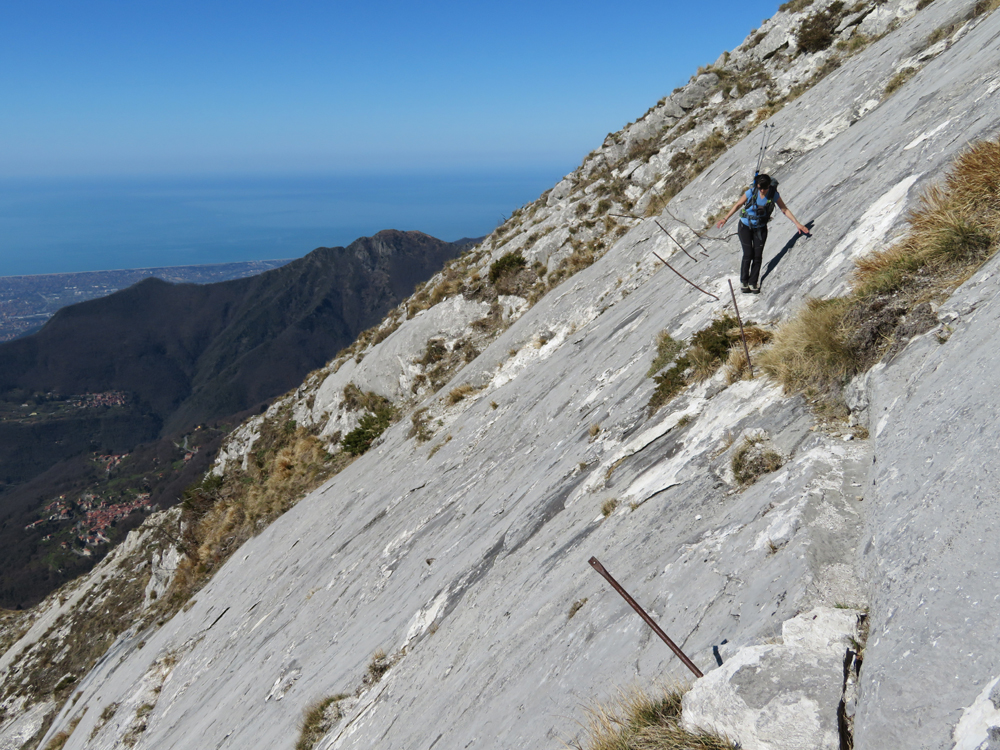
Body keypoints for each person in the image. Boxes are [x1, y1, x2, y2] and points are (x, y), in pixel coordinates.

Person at [716, 174, 809, 293]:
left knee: (757, 255)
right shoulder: (751, 192)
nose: (762, 191)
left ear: (769, 186)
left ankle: (753, 282)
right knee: (748, 253)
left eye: (764, 188)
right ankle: (744, 281)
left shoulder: (773, 194)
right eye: (760, 188)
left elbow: (784, 209)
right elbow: (738, 204)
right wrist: (725, 218)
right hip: (745, 226)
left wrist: (797, 223)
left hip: (760, 228)